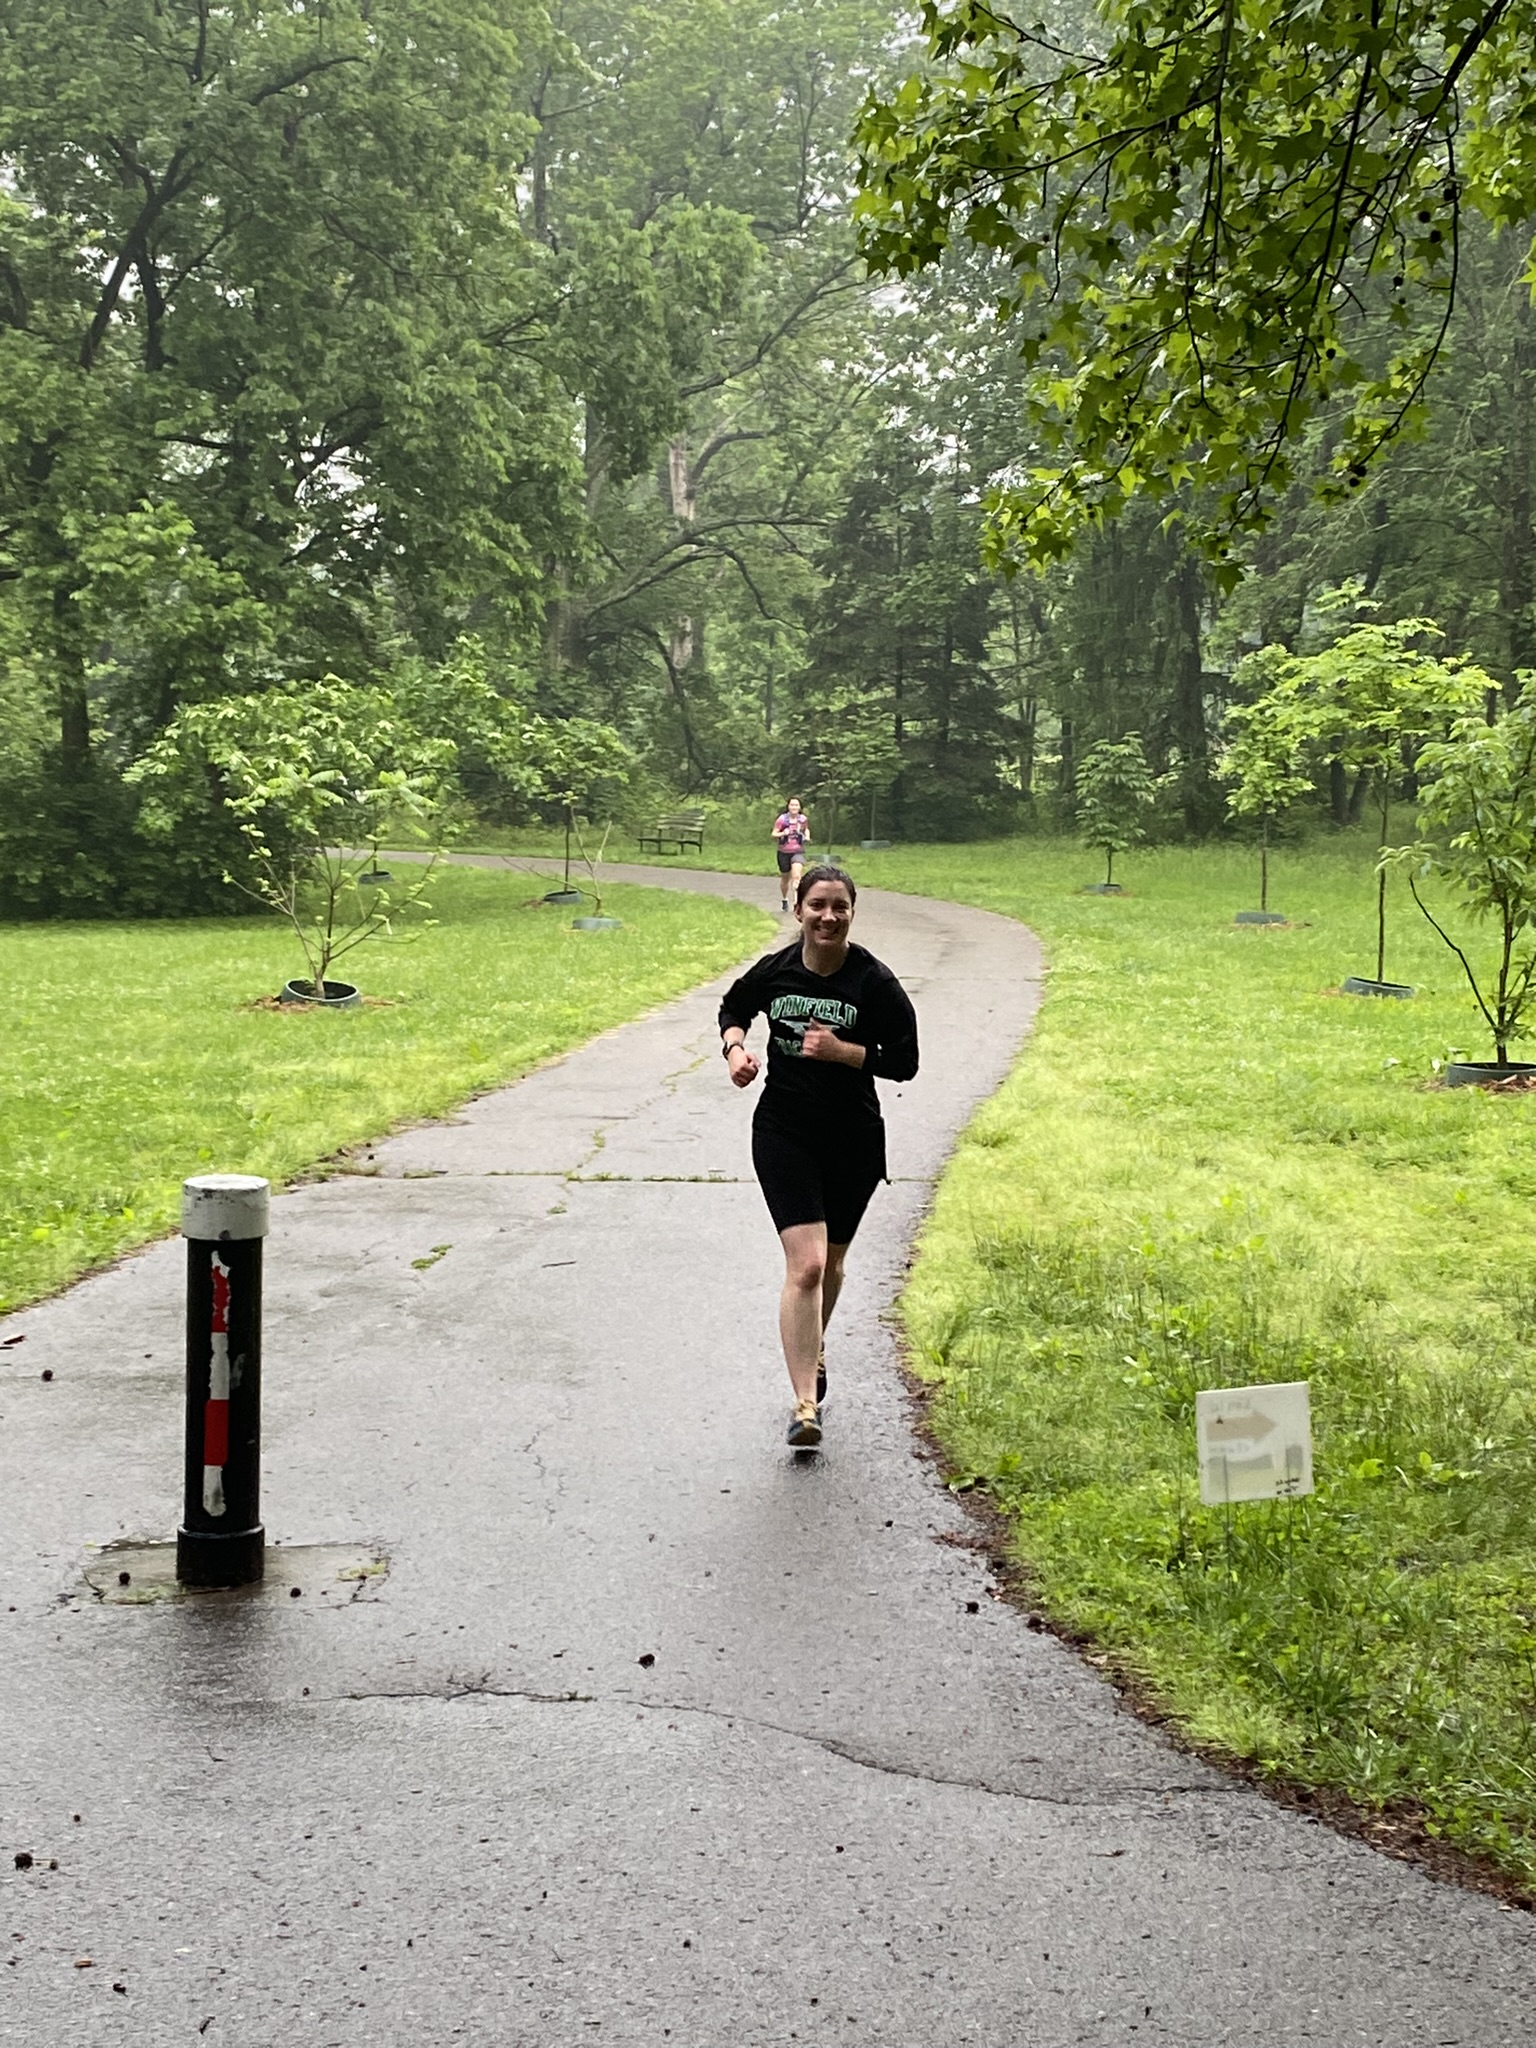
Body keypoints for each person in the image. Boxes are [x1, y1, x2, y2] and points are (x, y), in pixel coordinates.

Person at [718, 865, 919, 1447]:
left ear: (853, 913)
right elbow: (735, 1005)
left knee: (830, 1265)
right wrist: (735, 1050)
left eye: (840, 907)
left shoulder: (874, 982)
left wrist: (843, 1052)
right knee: (805, 1266)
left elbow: (903, 1062)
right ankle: (805, 1404)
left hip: (852, 1138)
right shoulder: (778, 970)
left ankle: (814, 1345)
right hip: (784, 1131)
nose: (828, 917)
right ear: (799, 911)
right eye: (817, 906)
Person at [770, 796, 811, 911]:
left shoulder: (802, 819)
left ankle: (797, 902)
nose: (794, 807)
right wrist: (783, 833)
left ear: (800, 807)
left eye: (796, 805)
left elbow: (806, 829)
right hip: (783, 852)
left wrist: (807, 836)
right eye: (792, 805)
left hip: (797, 851)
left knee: (797, 876)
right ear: (788, 806)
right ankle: (784, 899)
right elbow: (774, 833)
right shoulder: (782, 819)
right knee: (785, 878)